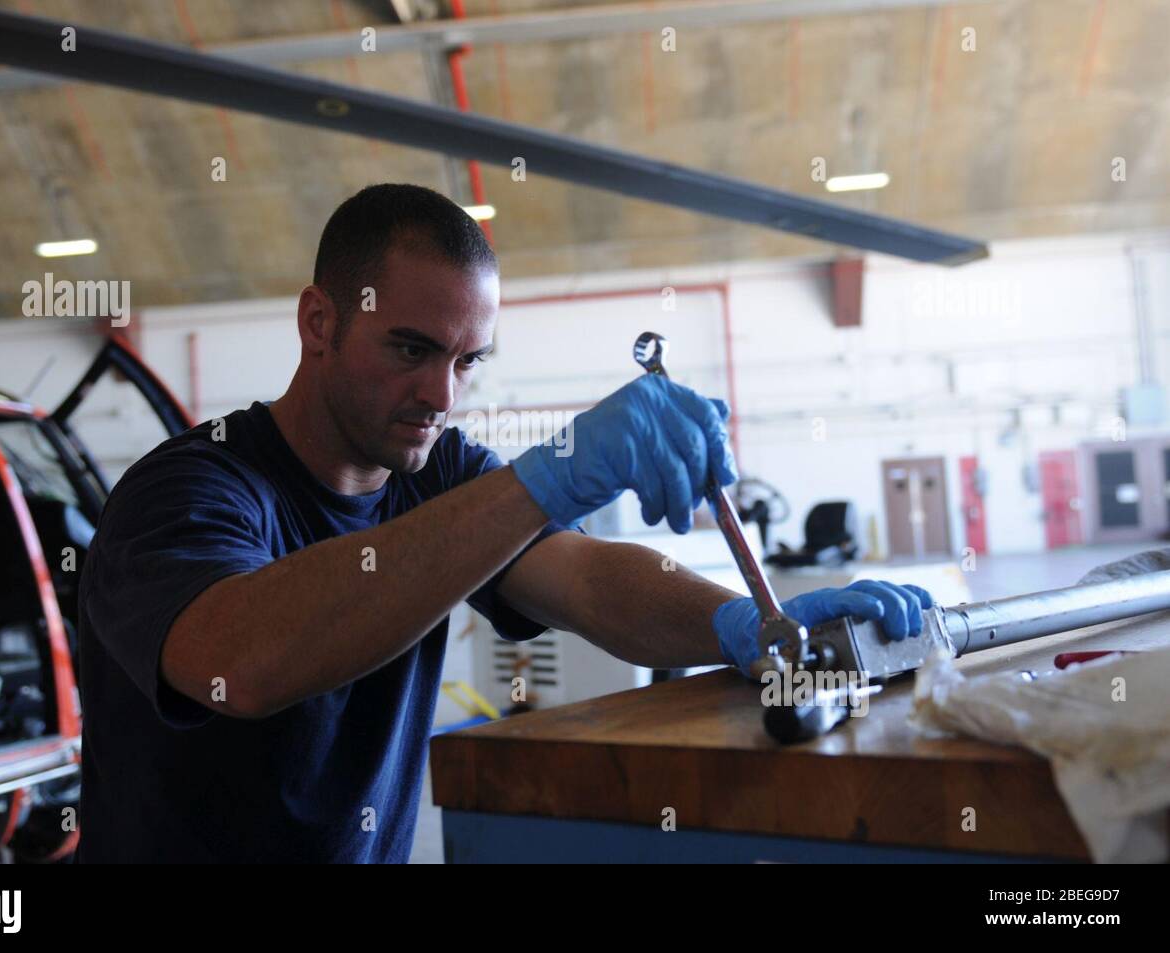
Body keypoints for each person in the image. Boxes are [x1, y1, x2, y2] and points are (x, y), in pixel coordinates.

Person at [76, 183, 930, 862]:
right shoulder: (190, 488)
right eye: (411, 349)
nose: (441, 397)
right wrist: (540, 479)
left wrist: (742, 621)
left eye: (467, 360)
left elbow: (586, 578)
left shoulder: (441, 474)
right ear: (319, 323)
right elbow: (242, 661)